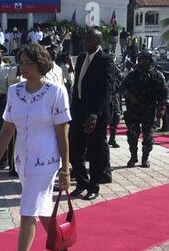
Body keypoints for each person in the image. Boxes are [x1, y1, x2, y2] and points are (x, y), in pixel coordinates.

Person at [0, 43, 71, 251]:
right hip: (22, 161)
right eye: (21, 62)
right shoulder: (14, 91)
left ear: (42, 64)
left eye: (29, 62)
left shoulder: (56, 91)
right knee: (42, 208)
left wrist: (66, 169)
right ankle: (59, 244)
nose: (23, 67)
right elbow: (7, 129)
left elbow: (62, 134)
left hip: (46, 161)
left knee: (28, 211)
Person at [69, 29, 114, 201]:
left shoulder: (105, 60)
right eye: (84, 38)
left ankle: (93, 186)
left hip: (96, 115)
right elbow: (77, 86)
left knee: (96, 152)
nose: (84, 41)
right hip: (78, 112)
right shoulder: (80, 58)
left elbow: (105, 90)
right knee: (75, 150)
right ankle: (81, 183)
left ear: (97, 40)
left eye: (88, 38)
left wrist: (95, 115)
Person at [121, 49, 168, 168]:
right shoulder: (133, 75)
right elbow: (121, 88)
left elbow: (164, 93)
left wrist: (161, 108)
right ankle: (133, 156)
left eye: (146, 59)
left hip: (149, 110)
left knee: (148, 136)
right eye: (142, 59)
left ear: (151, 60)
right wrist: (129, 95)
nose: (144, 61)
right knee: (132, 135)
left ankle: (145, 158)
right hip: (134, 110)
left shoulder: (158, 75)